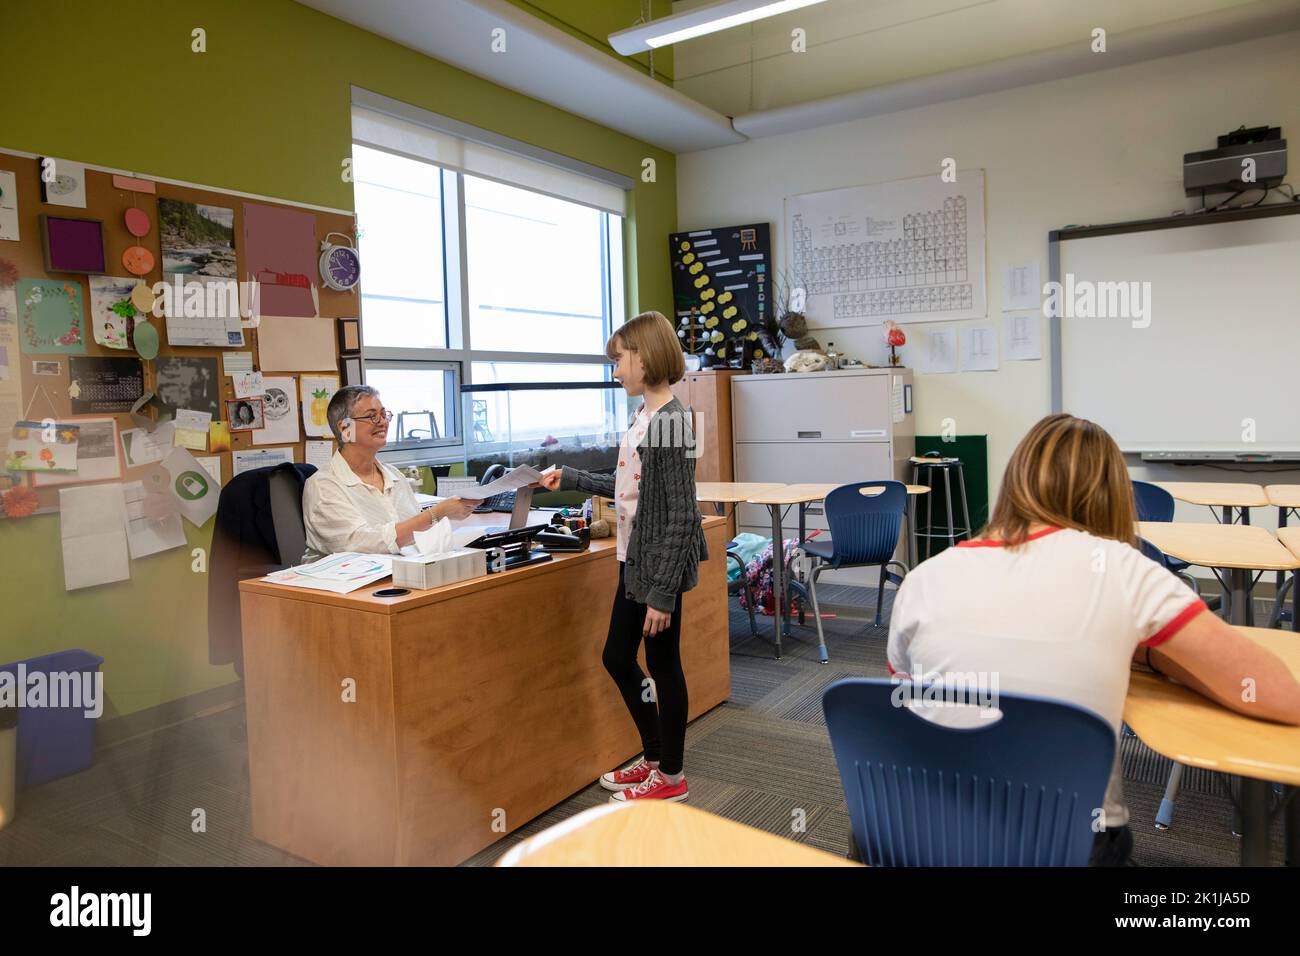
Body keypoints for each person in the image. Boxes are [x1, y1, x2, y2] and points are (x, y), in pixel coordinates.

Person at [887, 413, 1300, 865]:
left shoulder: (923, 579)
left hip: (923, 834)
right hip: (1068, 845)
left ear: (1014, 482)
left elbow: (905, 699)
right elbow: (1278, 695)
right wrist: (1149, 652)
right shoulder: (1125, 570)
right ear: (1113, 496)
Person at [537, 311, 708, 802]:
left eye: (619, 359)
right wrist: (569, 477)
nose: (615, 370)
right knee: (618, 655)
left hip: (656, 568)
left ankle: (670, 777)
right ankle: (654, 759)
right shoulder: (643, 417)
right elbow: (627, 490)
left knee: (663, 665)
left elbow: (679, 516)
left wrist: (661, 594)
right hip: (634, 559)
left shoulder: (672, 422)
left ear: (646, 357)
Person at [301, 385, 475, 561]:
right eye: (372, 416)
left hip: (401, 573)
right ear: (345, 428)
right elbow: (359, 544)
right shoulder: (323, 485)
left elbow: (416, 535)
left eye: (384, 415)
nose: (383, 422)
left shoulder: (394, 476)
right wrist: (435, 514)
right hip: (344, 582)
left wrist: (446, 515)